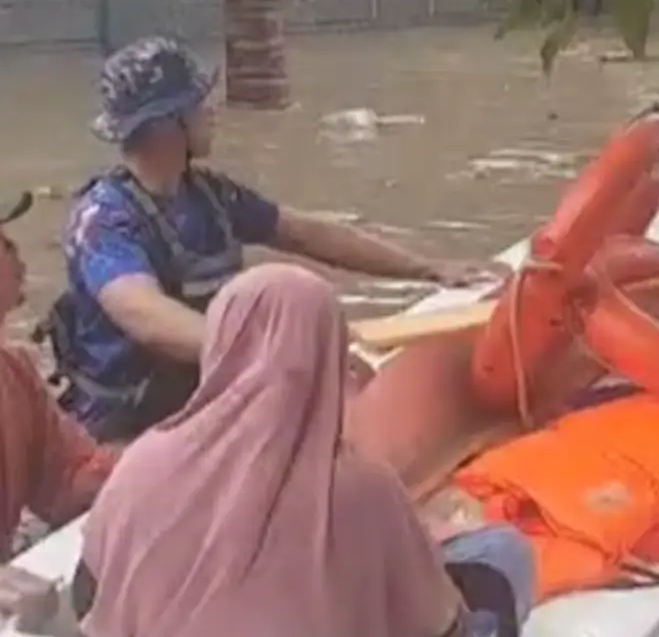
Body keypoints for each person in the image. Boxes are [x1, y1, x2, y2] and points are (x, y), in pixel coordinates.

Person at [43, 34, 505, 442]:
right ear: (168, 125)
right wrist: (269, 352)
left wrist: (427, 269)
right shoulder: (103, 221)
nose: (213, 113)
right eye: (199, 105)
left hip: (206, 397)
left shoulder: (211, 195)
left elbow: (310, 235)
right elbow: (144, 315)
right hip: (126, 430)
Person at [74, 264, 533, 637]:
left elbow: (87, 594)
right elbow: (441, 626)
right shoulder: (361, 488)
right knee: (500, 552)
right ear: (330, 355)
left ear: (218, 345)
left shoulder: (144, 459)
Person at [0, 189, 116, 560]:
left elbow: (68, 480)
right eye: (3, 243)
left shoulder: (14, 372)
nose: (15, 253)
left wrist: (165, 460)